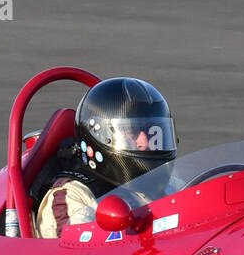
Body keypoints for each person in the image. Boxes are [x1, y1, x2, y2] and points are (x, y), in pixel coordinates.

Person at [36, 77, 178, 238]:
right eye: (133, 131)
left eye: (153, 131)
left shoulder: (170, 185)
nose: (145, 142)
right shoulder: (72, 197)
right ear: (102, 135)